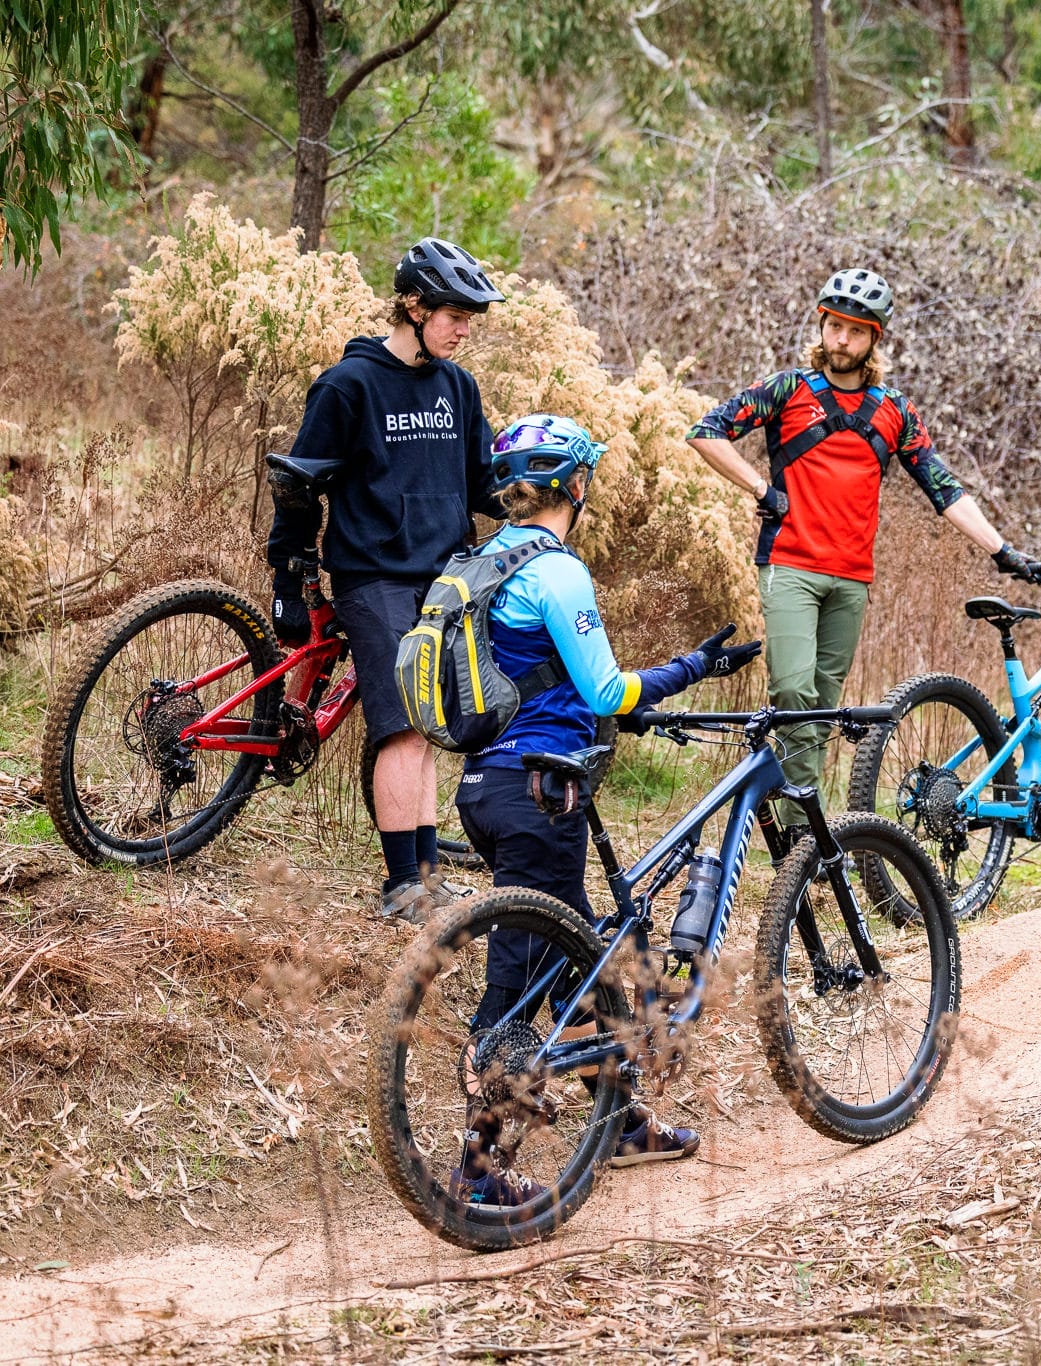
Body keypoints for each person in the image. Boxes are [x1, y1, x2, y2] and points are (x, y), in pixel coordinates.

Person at [452, 413, 761, 1206]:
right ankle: (479, 1179)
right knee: (514, 992)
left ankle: (619, 1125)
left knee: (577, 963)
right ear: (577, 485)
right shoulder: (556, 572)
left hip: (484, 790)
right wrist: (695, 667)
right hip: (539, 791)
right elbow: (608, 693)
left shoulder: (482, 560)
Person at [685, 268, 1041, 828]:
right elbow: (706, 431)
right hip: (790, 565)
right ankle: (812, 832)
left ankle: (792, 831)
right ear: (822, 326)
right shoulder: (789, 390)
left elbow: (942, 487)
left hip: (852, 578)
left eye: (856, 331)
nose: (842, 340)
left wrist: (1002, 551)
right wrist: (762, 489)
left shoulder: (895, 411)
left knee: (822, 706)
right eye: (834, 327)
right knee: (792, 690)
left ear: (875, 338)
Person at [267, 236, 505, 922]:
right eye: (456, 315)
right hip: (373, 577)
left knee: (428, 727)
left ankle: (427, 880)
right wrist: (290, 570)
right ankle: (403, 888)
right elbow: (299, 482)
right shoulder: (349, 384)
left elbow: (483, 483)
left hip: (444, 581)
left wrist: (542, 493)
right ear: (413, 304)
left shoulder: (457, 386)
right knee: (401, 730)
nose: (465, 330)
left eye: (470, 318)